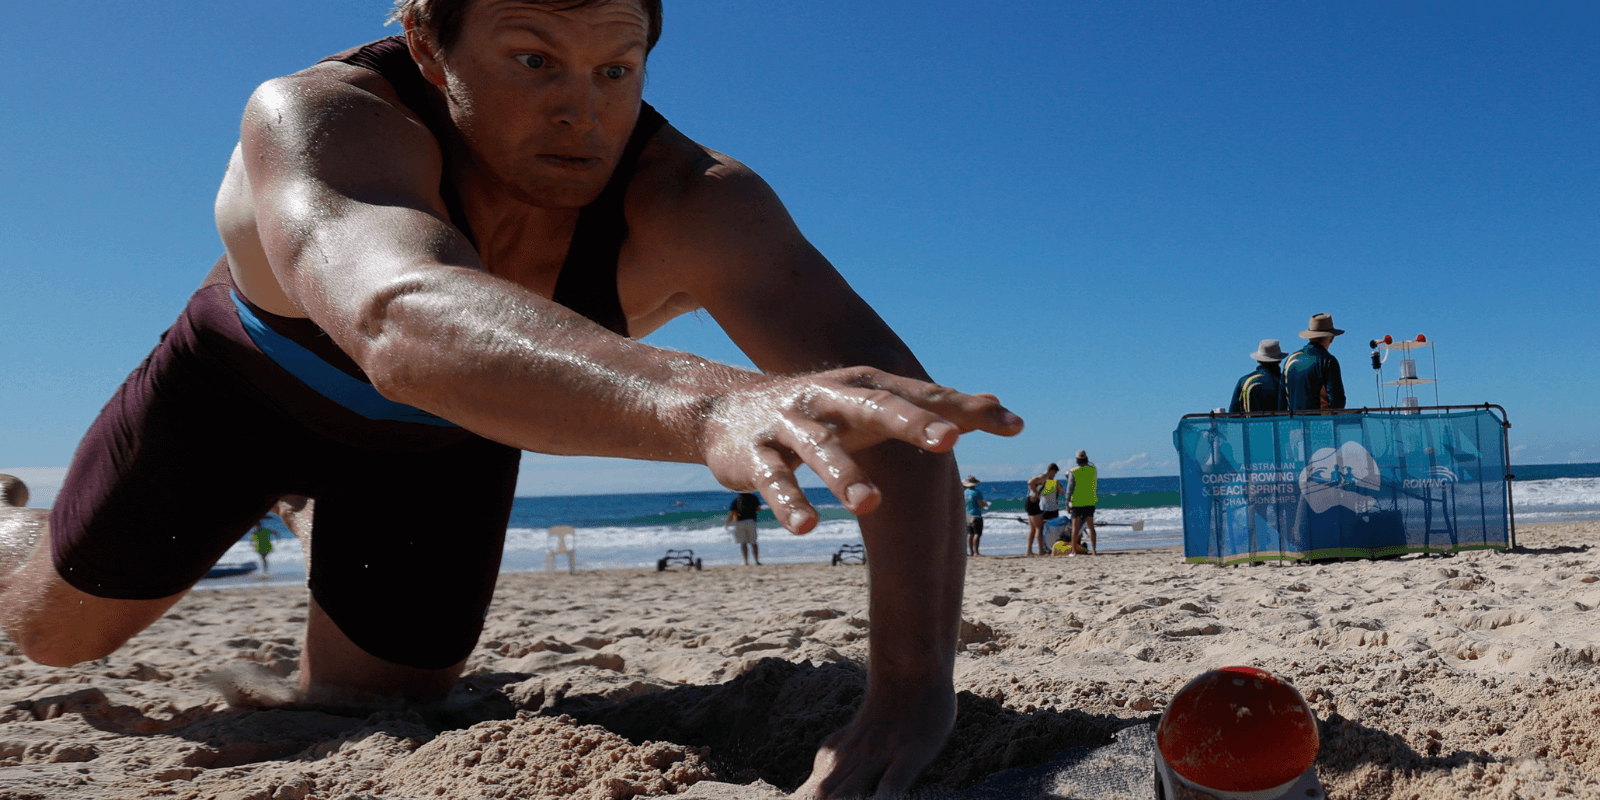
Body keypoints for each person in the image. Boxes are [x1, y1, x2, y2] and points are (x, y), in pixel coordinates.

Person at [0, 3, 1025, 796]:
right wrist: (712, 407)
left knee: (369, 703)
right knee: (52, 635)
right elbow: (401, 320)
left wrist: (909, 694)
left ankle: (317, 515)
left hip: (445, 437)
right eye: (533, 60)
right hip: (239, 398)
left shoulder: (695, 201)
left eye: (615, 68)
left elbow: (902, 419)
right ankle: (11, 527)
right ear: (428, 42)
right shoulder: (320, 115)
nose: (583, 109)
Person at [1283, 313, 1346, 412]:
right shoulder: (1327, 361)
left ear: (1310, 336)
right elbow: (1337, 401)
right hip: (1318, 421)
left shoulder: (1290, 360)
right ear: (1331, 338)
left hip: (1292, 421)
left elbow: (1282, 401)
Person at [1228, 339, 1287, 414]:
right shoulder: (1285, 381)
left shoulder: (1245, 381)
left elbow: (1233, 414)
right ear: (1280, 360)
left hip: (1249, 422)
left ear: (1258, 360)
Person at [1066, 450, 1098, 556]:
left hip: (1077, 502)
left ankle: (1073, 551)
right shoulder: (1093, 469)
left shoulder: (1073, 471)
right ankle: (1094, 550)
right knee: (1091, 527)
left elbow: (1070, 488)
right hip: (1090, 501)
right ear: (1086, 458)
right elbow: (1091, 465)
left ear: (1077, 460)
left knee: (1075, 528)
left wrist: (1067, 503)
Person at [724, 492, 761, 566]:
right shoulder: (753, 498)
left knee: (743, 543)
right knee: (753, 542)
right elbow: (758, 509)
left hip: (740, 522)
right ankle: (756, 561)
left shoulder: (737, 499)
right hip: (751, 521)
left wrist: (727, 523)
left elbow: (732, 512)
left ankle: (745, 561)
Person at [1028, 463, 1066, 534]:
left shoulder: (1051, 482)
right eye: (1055, 473)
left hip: (1050, 509)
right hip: (1047, 509)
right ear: (1052, 471)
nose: (1054, 475)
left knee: (1048, 530)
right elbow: (1062, 492)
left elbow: (1062, 492)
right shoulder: (1046, 481)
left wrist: (1058, 485)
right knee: (1048, 529)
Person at [962, 476, 988, 557]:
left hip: (967, 514)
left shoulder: (964, 492)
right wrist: (985, 505)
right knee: (977, 533)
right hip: (976, 514)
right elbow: (980, 504)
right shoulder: (976, 492)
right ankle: (976, 552)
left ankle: (971, 552)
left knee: (970, 534)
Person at [1023, 479, 1044, 556]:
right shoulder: (1042, 478)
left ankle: (1029, 550)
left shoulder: (1036, 484)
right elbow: (1030, 482)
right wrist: (1036, 493)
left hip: (1029, 502)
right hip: (1034, 503)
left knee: (1032, 529)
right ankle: (1040, 550)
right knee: (1038, 528)